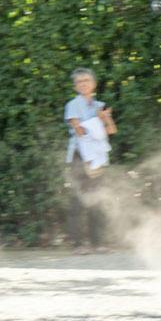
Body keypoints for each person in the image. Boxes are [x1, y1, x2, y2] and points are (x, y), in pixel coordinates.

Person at [63, 67, 115, 249]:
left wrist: (106, 119)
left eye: (86, 80)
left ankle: (98, 243)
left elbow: (111, 130)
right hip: (80, 157)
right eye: (79, 82)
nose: (83, 84)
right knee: (78, 199)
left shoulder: (100, 105)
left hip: (97, 158)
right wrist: (97, 122)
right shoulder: (72, 105)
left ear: (93, 84)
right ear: (75, 86)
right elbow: (79, 130)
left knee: (97, 199)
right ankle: (78, 244)